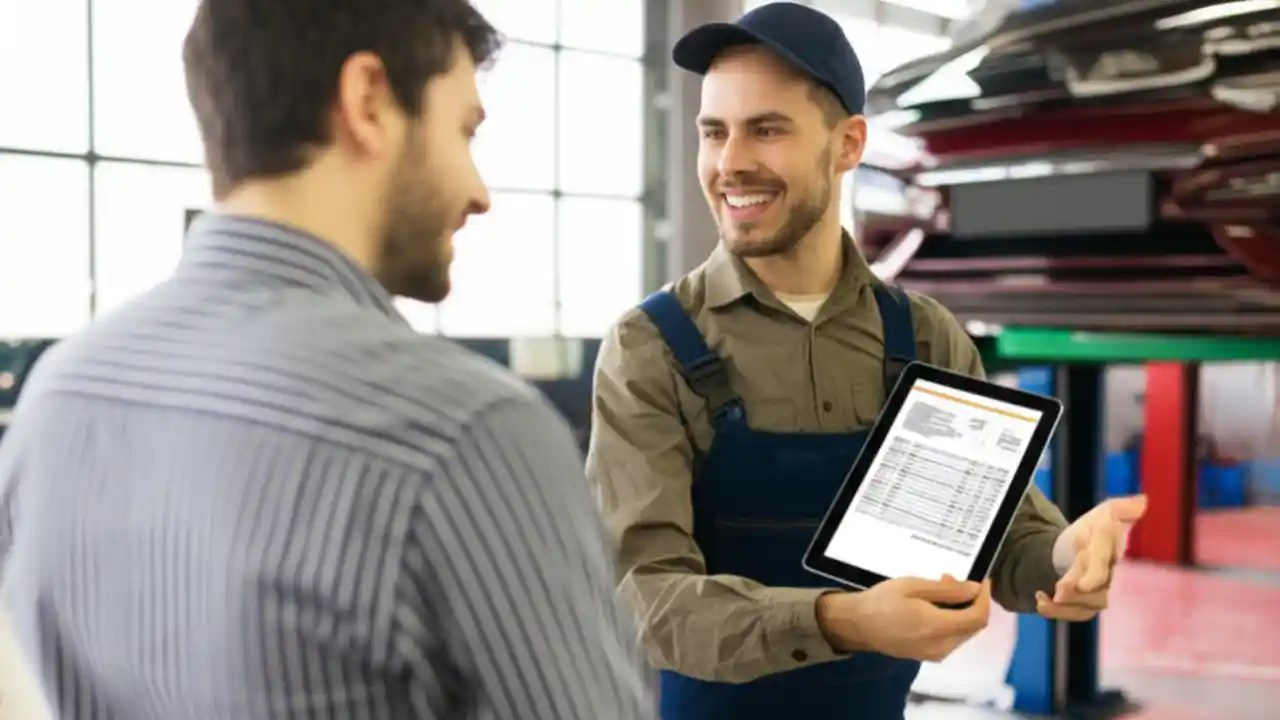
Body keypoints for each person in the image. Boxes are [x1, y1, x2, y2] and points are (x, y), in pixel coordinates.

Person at [0, 1, 654, 718]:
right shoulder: (465, 432)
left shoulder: (60, 396)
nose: (479, 192)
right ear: (368, 100)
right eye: (464, 131)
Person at [585, 3, 1147, 718]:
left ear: (848, 143)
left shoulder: (926, 338)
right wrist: (845, 620)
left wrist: (1068, 557)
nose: (730, 163)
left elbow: (1002, 538)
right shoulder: (652, 347)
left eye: (767, 129)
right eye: (714, 132)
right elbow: (644, 598)